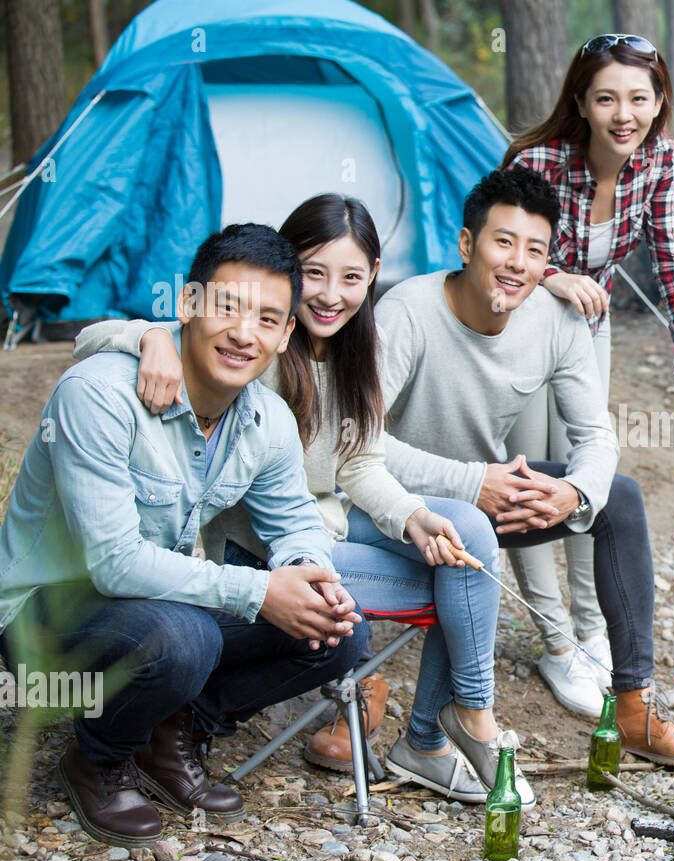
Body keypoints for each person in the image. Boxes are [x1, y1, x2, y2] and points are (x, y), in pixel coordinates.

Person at [72, 196, 528, 806]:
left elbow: (360, 463)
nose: (330, 295)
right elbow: (94, 339)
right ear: (289, 274)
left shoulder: (356, 350)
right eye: (314, 273)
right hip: (251, 549)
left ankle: (452, 725)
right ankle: (436, 734)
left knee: (464, 531)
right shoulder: (250, 346)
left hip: (314, 528)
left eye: (351, 277)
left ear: (371, 278)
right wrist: (151, 335)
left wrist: (413, 518)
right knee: (451, 589)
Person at [0, 224, 365, 848]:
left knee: (334, 631)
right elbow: (114, 564)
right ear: (189, 304)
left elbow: (296, 521)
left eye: (268, 319)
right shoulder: (100, 396)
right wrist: (257, 590)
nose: (244, 333)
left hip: (147, 606)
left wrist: (307, 571)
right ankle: (97, 760)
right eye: (228, 306)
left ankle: (172, 733)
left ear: (284, 336)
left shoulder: (264, 418)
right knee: (185, 637)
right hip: (41, 626)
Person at [378, 166, 674, 766]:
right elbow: (357, 445)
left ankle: (635, 708)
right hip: (400, 506)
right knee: (474, 516)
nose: (516, 263)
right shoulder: (407, 311)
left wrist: (574, 495)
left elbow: (595, 435)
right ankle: (368, 694)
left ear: (547, 263)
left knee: (620, 498)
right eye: (502, 242)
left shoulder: (554, 319)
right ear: (466, 245)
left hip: (487, 494)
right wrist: (470, 482)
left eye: (534, 250)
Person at [500, 33, 674, 717]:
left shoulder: (659, 159)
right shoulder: (538, 161)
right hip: (521, 326)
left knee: (589, 471)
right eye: (606, 97)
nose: (623, 114)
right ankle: (554, 643)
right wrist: (553, 275)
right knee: (529, 472)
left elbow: (673, 259)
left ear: (659, 102)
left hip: (589, 330)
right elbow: (499, 258)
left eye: (639, 98)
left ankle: (591, 628)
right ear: (580, 101)